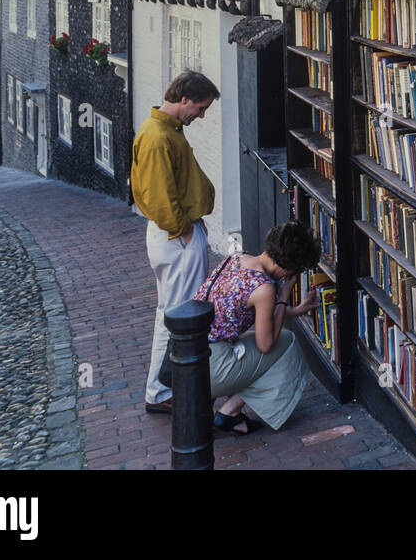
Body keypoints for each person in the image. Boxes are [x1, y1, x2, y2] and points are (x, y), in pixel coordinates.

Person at [132, 69, 220, 414]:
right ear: (184, 99)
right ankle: (163, 390)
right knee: (181, 317)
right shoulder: (158, 136)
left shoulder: (165, 130)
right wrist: (184, 231)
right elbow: (159, 196)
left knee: (172, 314)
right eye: (200, 107)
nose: (201, 114)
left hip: (176, 234)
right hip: (176, 236)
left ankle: (164, 388)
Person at [195, 219, 320, 433]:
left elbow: (241, 310)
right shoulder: (264, 288)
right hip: (212, 367)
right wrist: (285, 294)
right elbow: (266, 345)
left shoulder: (237, 258)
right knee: (287, 343)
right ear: (289, 270)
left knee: (267, 341)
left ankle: (220, 406)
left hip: (193, 354)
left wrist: (294, 310)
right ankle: (230, 412)